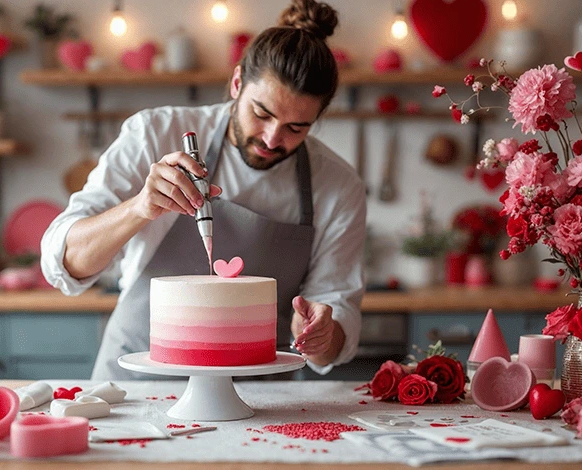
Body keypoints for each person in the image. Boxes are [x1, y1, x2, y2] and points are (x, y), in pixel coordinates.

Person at [41, 0, 366, 380]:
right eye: (261, 113)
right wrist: (138, 208)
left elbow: (336, 310)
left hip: (255, 394)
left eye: (297, 127)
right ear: (236, 83)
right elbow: (62, 264)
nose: (272, 138)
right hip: (136, 382)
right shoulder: (153, 133)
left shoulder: (338, 186)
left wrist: (321, 335)